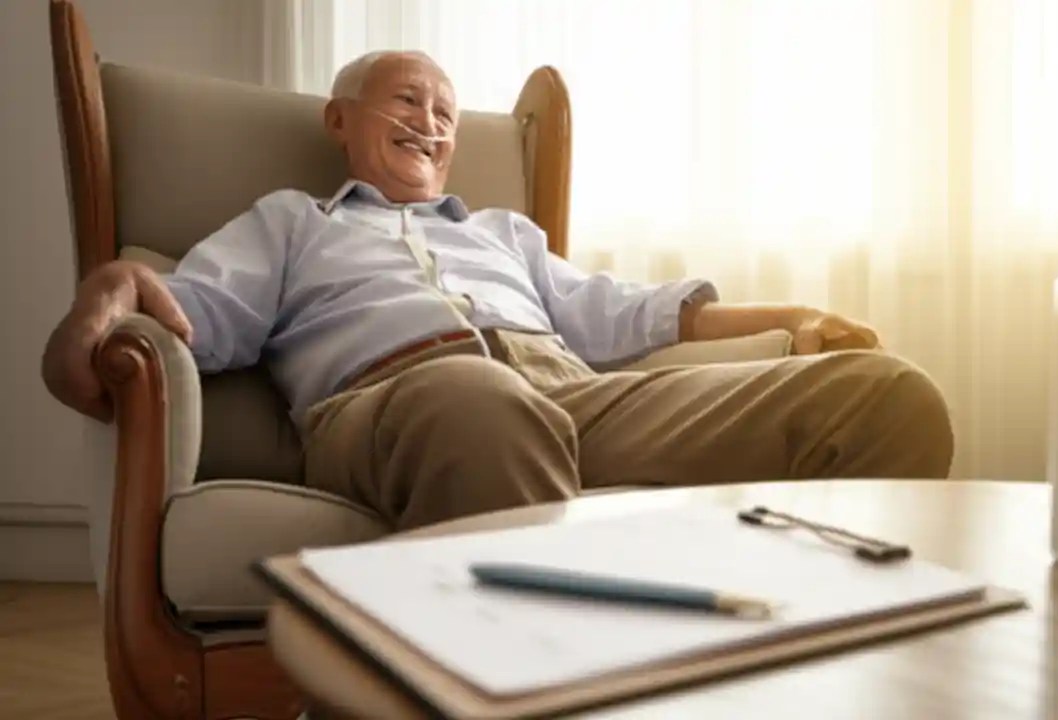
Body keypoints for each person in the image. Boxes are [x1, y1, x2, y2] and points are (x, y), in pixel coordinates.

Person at [41, 51, 953, 531]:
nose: (430, 123)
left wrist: (793, 318)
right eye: (405, 101)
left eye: (443, 112)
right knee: (478, 402)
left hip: (574, 402)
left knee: (885, 400)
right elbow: (194, 316)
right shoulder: (293, 221)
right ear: (339, 119)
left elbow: (625, 312)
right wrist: (115, 284)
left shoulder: (502, 234)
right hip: (395, 401)